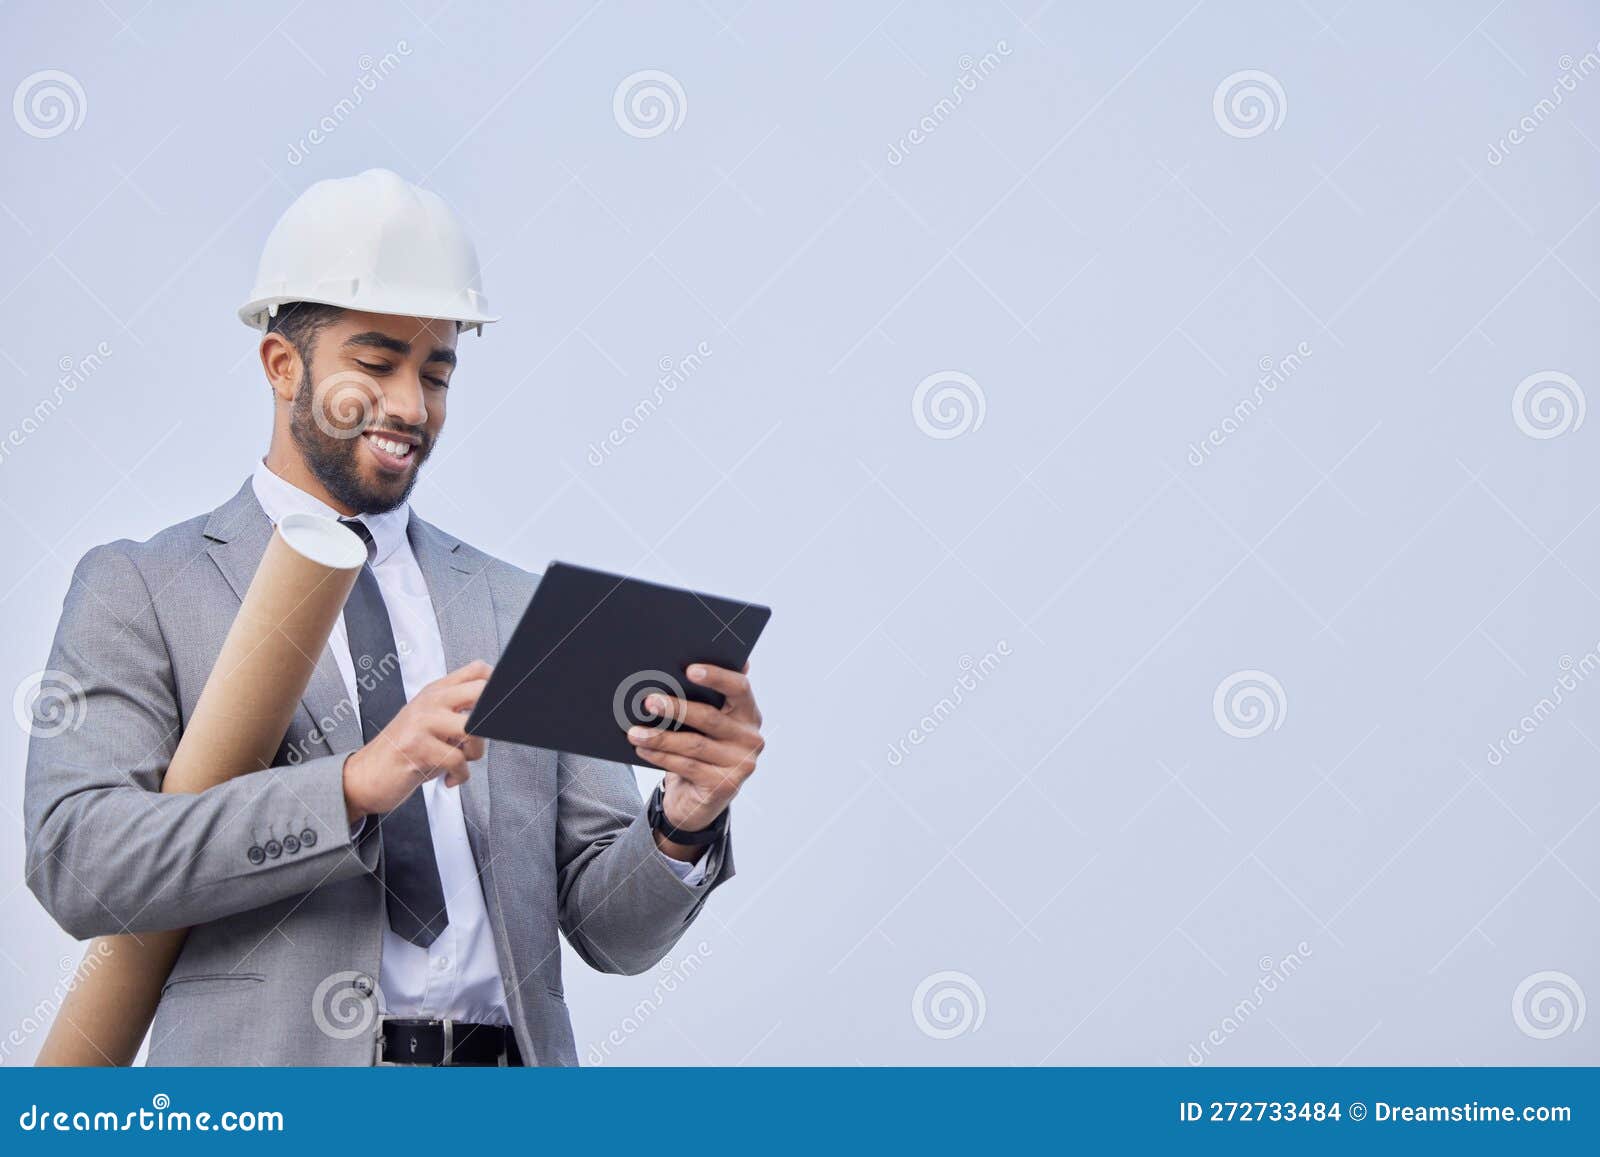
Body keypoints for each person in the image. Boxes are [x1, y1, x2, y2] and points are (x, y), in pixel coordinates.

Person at [22, 169, 765, 1066]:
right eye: (375, 364)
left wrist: (683, 818)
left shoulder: (519, 605)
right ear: (282, 365)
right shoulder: (142, 586)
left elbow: (613, 934)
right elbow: (78, 861)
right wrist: (350, 786)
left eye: (436, 373)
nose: (411, 407)